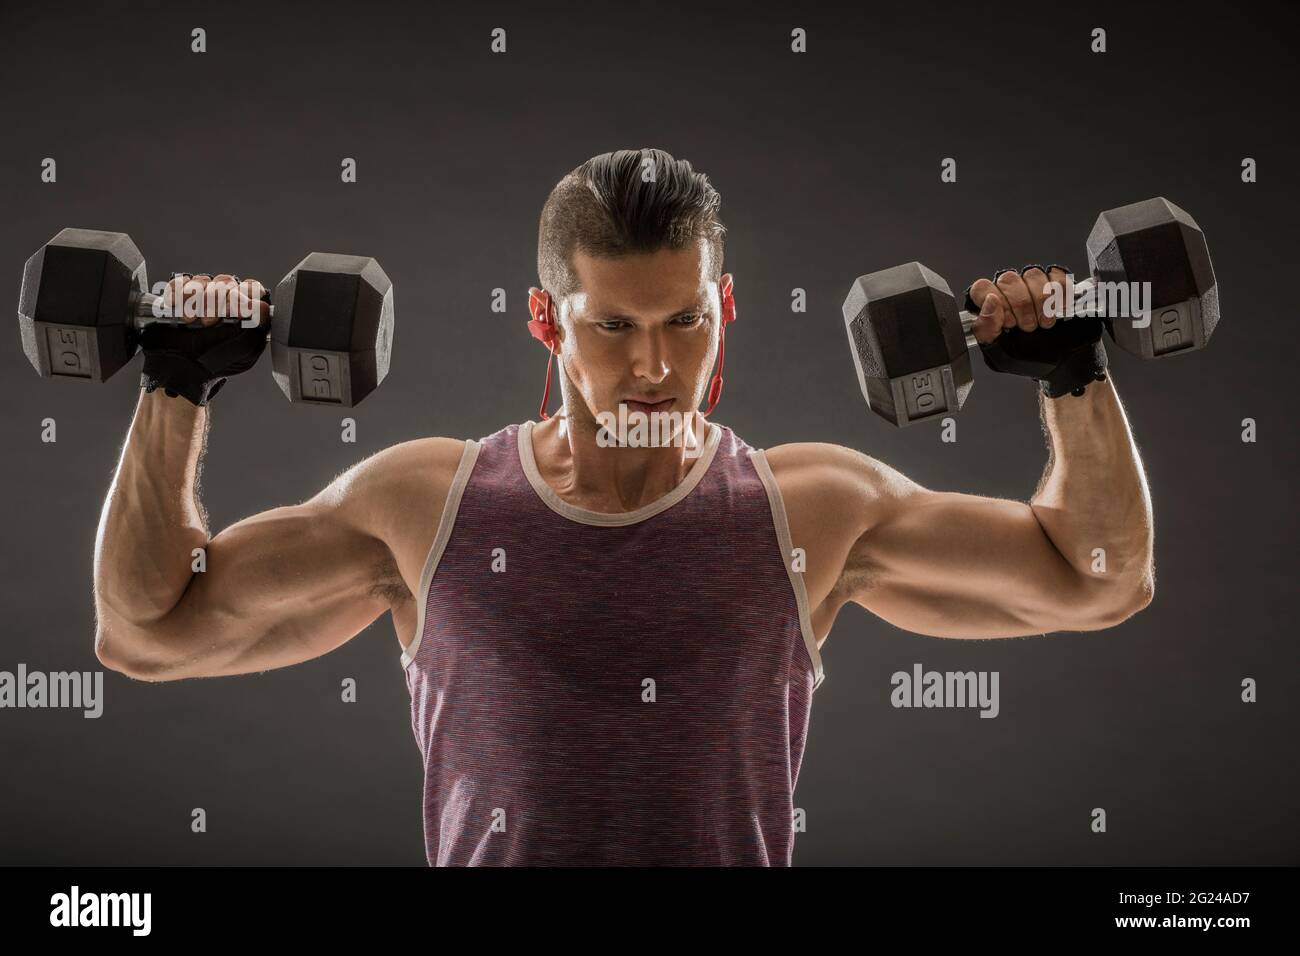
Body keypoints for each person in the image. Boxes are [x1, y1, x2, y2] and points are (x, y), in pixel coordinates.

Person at [93, 147, 1153, 865]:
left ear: (725, 308)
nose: (656, 365)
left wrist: (1073, 377)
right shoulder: (427, 506)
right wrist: (175, 384)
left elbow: (1093, 581)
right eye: (612, 326)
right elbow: (146, 629)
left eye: (686, 319)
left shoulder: (806, 512)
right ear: (545, 322)